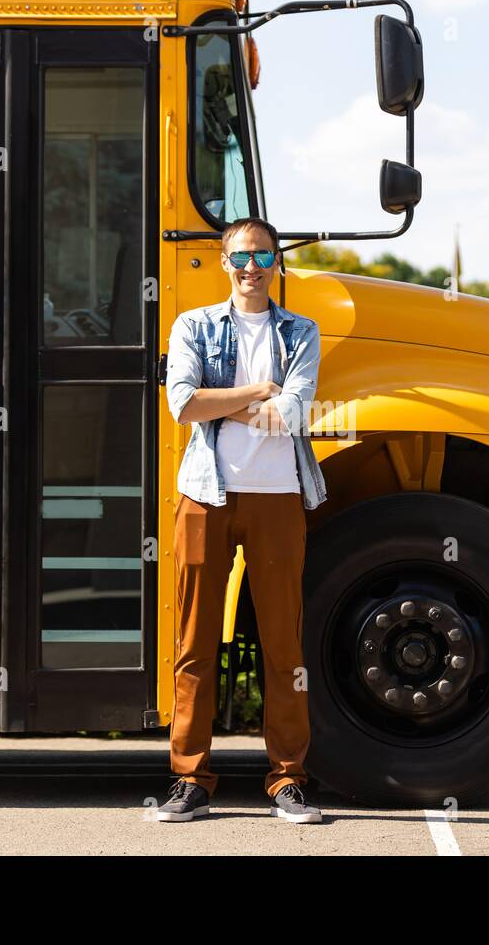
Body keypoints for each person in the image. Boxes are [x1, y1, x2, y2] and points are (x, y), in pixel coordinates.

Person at [155, 216, 327, 823]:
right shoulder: (193, 325)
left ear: (277, 262)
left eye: (263, 256)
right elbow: (182, 403)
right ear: (224, 263)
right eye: (241, 257)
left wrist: (224, 404)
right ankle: (190, 778)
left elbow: (295, 415)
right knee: (195, 644)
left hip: (278, 496)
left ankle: (287, 778)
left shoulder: (301, 330)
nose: (252, 267)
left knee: (285, 646)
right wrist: (259, 391)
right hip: (207, 495)